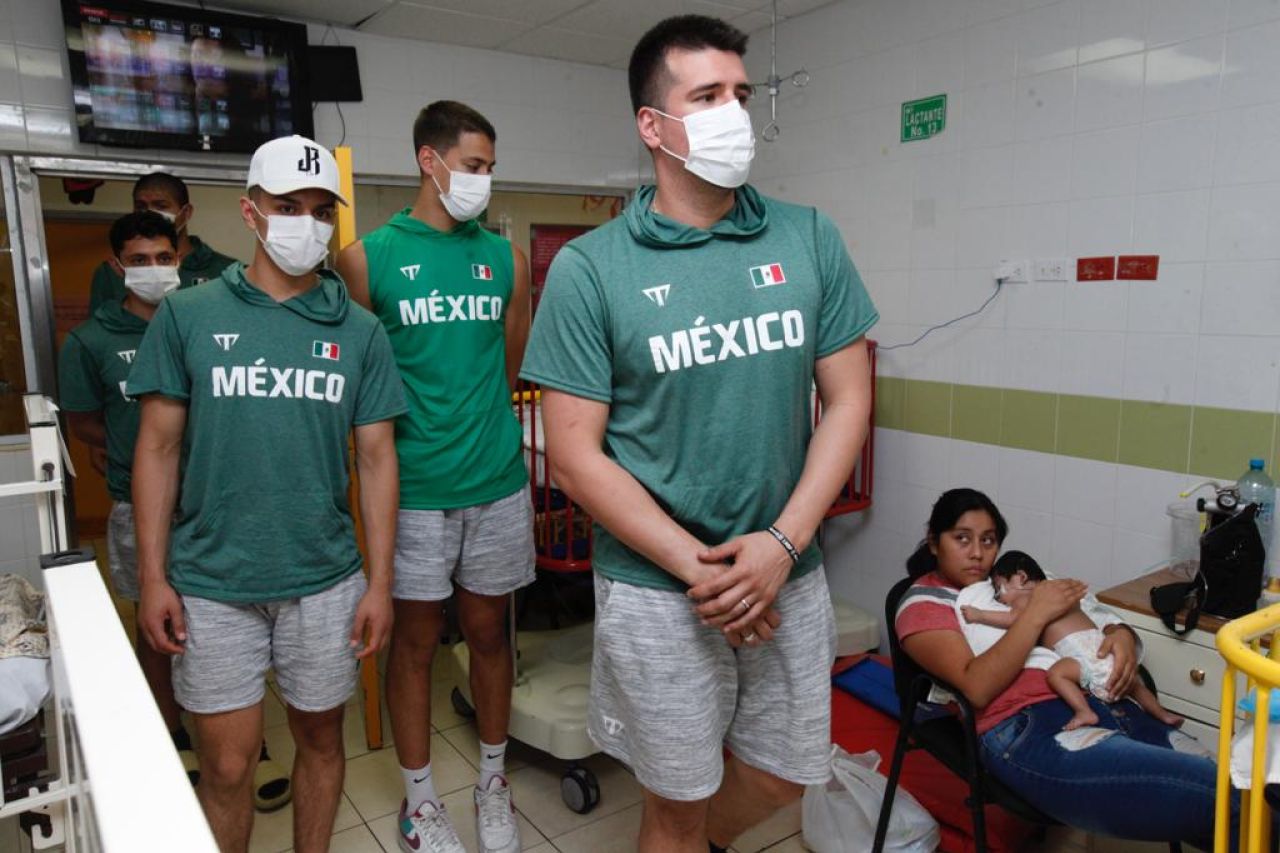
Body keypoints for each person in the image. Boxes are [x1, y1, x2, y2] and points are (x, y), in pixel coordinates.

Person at [519, 15, 877, 853]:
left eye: (741, 95)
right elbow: (572, 455)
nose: (734, 114)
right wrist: (709, 575)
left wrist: (779, 550)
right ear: (653, 124)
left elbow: (849, 403)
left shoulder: (809, 236)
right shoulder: (592, 267)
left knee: (788, 773)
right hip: (657, 587)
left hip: (788, 570)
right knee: (675, 802)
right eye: (707, 95)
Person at [127, 135, 407, 853]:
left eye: (320, 210)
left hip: (323, 578)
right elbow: (156, 449)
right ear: (250, 212)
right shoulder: (188, 317)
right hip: (214, 579)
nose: (304, 224)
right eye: (288, 206)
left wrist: (380, 582)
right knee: (226, 762)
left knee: (319, 738)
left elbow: (376, 459)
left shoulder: (360, 330)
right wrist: (153, 576)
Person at [335, 99, 532, 853]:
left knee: (489, 632)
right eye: (474, 165)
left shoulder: (506, 259)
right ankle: (419, 800)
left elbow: (507, 366)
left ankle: (491, 779)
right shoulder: (368, 258)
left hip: (496, 481)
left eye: (489, 168)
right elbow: (359, 385)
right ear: (431, 160)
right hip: (411, 490)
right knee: (413, 642)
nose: (483, 180)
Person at [895, 487, 1223, 848]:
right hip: (1029, 725)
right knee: (1221, 798)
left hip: (1108, 704)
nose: (977, 553)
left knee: (1236, 786)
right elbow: (976, 686)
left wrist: (1121, 633)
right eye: (962, 539)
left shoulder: (1015, 578)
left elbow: (1092, 612)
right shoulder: (925, 603)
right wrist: (1034, 615)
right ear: (933, 542)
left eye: (988, 541)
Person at [58, 210, 194, 770]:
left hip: (208, 502)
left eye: (163, 259)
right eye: (139, 261)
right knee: (157, 624)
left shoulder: (198, 324)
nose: (153, 270)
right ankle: (168, 735)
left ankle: (234, 733)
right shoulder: (90, 341)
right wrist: (132, 452)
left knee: (220, 622)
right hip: (139, 505)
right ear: (117, 267)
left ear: (179, 259)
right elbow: (86, 423)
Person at [960, 550, 1183, 731]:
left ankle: (1084, 711)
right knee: (1133, 683)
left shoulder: (1032, 597)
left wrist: (980, 615)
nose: (1000, 599)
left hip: (1078, 654)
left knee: (1056, 675)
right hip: (1101, 646)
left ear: (1021, 578)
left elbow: (1014, 619)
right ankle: (1162, 714)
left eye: (999, 590)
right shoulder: (1063, 591)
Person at [88, 172, 237, 311]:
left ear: (186, 213)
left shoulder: (227, 271)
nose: (150, 213)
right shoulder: (111, 272)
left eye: (161, 206)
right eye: (141, 206)